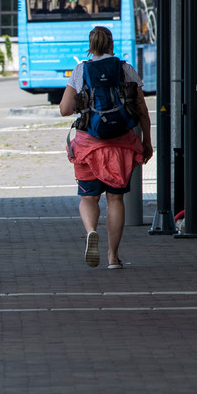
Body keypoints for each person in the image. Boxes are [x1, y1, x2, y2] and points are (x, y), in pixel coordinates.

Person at [59, 26, 153, 269]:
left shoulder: (81, 70)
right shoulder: (125, 69)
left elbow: (64, 109)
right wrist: (147, 141)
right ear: (112, 44)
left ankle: (91, 231)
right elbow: (141, 109)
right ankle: (113, 256)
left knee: (88, 197)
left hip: (88, 146)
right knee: (115, 199)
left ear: (91, 45)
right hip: (121, 145)